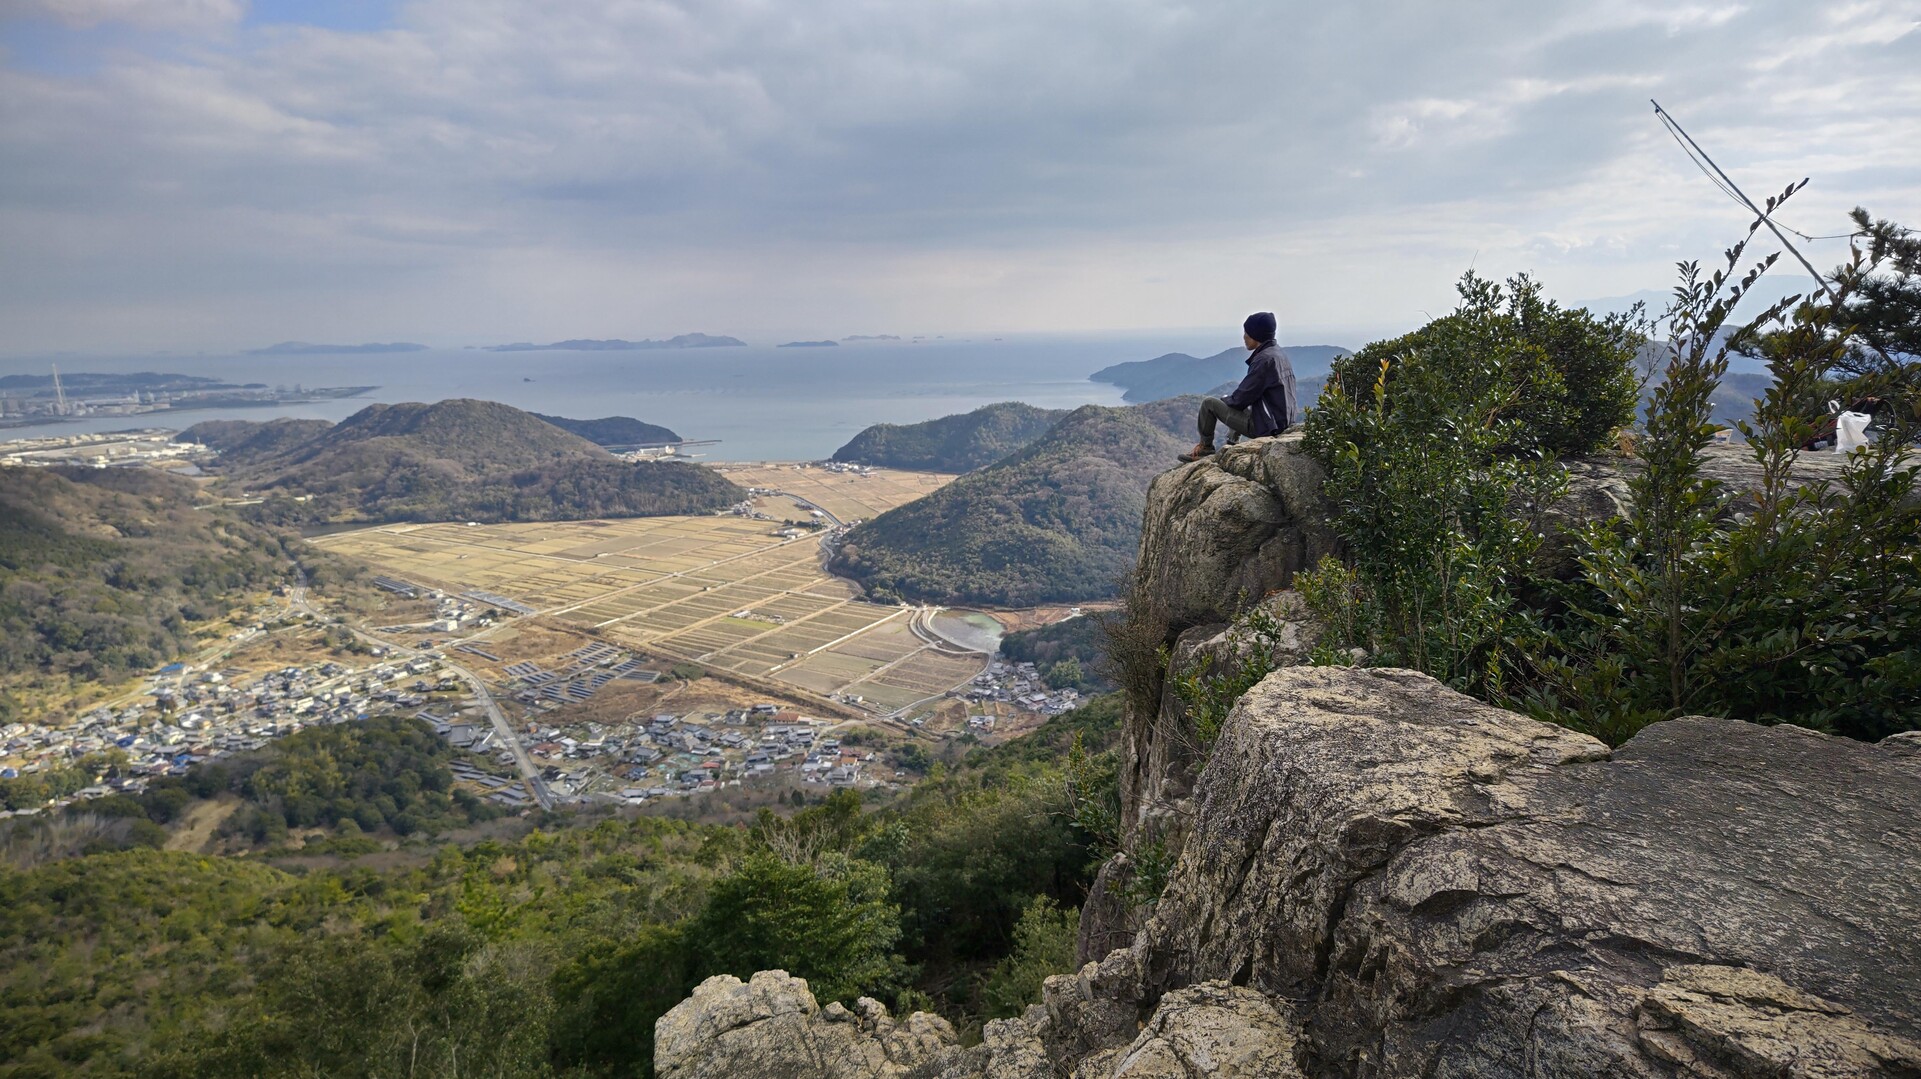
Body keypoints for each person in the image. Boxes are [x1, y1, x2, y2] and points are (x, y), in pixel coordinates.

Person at [1178, 312, 1297, 462]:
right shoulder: (1278, 355)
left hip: (1268, 427)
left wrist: (1226, 399)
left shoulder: (1263, 360)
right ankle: (1232, 443)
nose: (1244, 337)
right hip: (1281, 421)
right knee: (1234, 403)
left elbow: (1240, 399)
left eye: (1247, 333)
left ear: (1256, 335)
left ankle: (1205, 448)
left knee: (1209, 404)